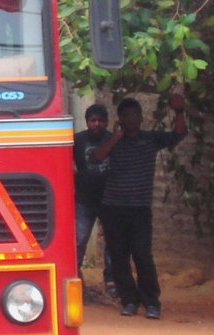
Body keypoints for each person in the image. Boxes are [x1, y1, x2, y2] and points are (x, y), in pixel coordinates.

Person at [92, 94, 187, 319]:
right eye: (127, 115)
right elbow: (97, 157)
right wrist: (115, 138)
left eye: (135, 115)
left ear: (141, 118)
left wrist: (179, 111)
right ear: (121, 119)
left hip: (139, 210)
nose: (132, 119)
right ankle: (129, 301)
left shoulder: (151, 139)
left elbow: (178, 135)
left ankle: (152, 302)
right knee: (119, 257)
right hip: (113, 208)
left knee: (143, 255)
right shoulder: (112, 139)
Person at [73, 104, 115, 297]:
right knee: (79, 240)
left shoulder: (113, 139)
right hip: (84, 200)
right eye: (93, 120)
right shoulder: (78, 140)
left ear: (106, 122)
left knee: (113, 242)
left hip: (110, 200)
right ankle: (75, 278)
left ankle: (112, 281)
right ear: (87, 121)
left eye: (100, 120)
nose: (96, 124)